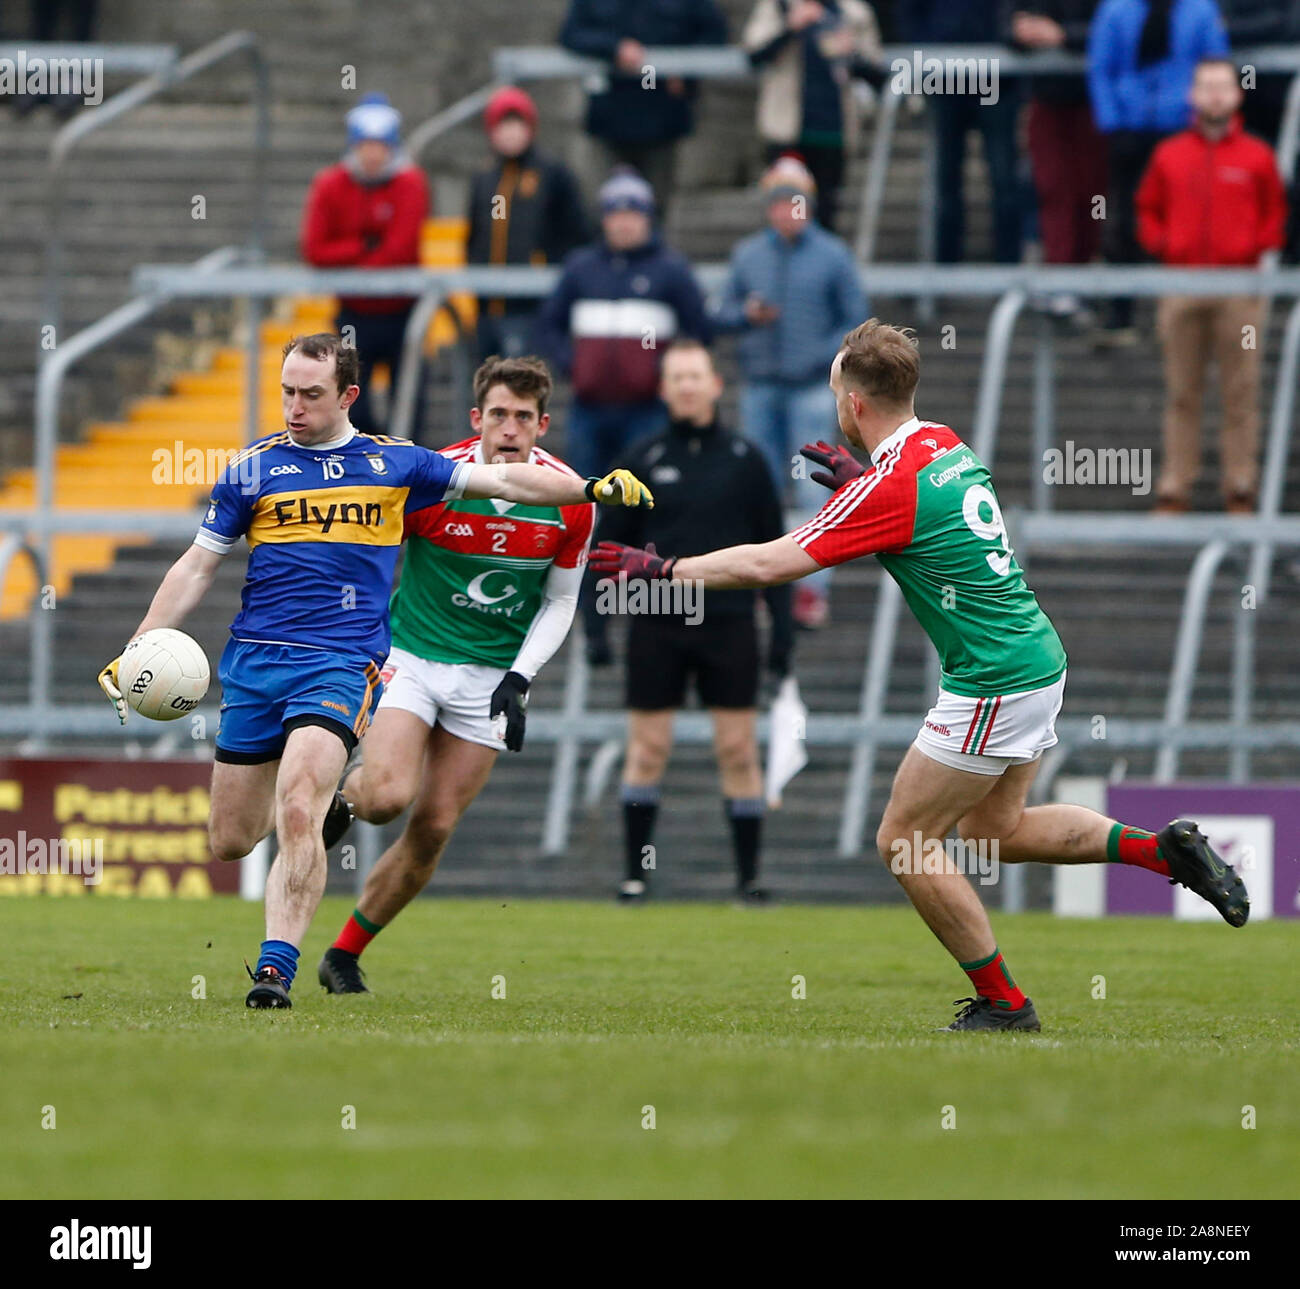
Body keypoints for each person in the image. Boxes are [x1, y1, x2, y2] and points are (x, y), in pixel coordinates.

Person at [591, 319, 1249, 1031]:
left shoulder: (886, 487)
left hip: (993, 678)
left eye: (838, 392)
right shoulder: (942, 441)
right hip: (1034, 659)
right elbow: (916, 513)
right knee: (996, 832)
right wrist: (863, 481)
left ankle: (1006, 1003)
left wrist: (664, 568)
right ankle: (1163, 851)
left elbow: (768, 563)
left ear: (853, 406)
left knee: (902, 838)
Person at [96, 334, 653, 1010]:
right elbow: (196, 564)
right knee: (231, 839)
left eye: (311, 395)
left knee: (303, 806)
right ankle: (301, 826)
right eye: (287, 393)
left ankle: (275, 971)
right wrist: (142, 642)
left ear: (348, 395)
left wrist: (590, 486)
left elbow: (508, 479)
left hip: (345, 661)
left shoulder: (396, 463)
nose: (295, 408)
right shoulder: (251, 469)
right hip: (257, 661)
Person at [314, 356, 593, 993]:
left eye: (523, 417)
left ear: (541, 425)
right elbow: (373, 550)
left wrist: (520, 679)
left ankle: (344, 954)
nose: (509, 428)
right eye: (498, 414)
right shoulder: (435, 479)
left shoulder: (570, 498)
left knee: (435, 825)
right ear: (477, 419)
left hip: (491, 675)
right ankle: (335, 800)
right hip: (411, 657)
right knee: (386, 797)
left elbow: (559, 600)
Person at [594, 339, 795, 904]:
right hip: (656, 622)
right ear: (663, 389)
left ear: (715, 384)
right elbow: (606, 548)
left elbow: (778, 550)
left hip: (730, 622)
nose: (686, 386)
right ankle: (635, 875)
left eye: (695, 376)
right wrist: (595, 629)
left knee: (737, 750)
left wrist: (781, 631)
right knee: (647, 749)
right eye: (675, 377)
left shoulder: (746, 460)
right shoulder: (641, 459)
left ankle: (749, 878)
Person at [537, 167, 711, 661]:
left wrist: (664, 376)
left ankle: (649, 616)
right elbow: (547, 327)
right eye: (616, 213)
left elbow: (697, 331)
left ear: (648, 218)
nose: (624, 223)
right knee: (590, 512)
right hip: (593, 412)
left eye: (633, 214)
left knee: (648, 511)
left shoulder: (671, 271)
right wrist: (576, 367)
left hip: (647, 414)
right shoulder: (581, 268)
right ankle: (593, 624)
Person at [713, 155, 866, 629]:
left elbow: (855, 322)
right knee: (760, 488)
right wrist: (746, 315)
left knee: (808, 488)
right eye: (780, 203)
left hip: (810, 390)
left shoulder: (833, 256)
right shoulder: (748, 255)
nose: (787, 212)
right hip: (760, 386)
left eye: (796, 203)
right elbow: (720, 312)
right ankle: (762, 586)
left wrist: (819, 356)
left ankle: (808, 589)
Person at [1137, 56, 1287, 513]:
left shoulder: (1257, 157)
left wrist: (1251, 249)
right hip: (1182, 285)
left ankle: (1240, 483)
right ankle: (1175, 484)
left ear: (1237, 94)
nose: (1215, 96)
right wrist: (1165, 243)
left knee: (1241, 392)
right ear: (1193, 94)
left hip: (1239, 289)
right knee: (1182, 391)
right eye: (1206, 87)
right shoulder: (1170, 154)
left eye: (1223, 87)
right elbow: (1147, 207)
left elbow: (1275, 213)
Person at [1087, 0, 1229, 342]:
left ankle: (1185, 313)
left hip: (1180, 131)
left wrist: (1197, 124)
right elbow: (1100, 69)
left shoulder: (1200, 11)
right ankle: (1122, 314)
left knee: (1186, 221)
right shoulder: (1116, 10)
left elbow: (1214, 68)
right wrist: (1112, 123)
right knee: (1123, 220)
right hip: (1130, 130)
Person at [300, 93, 430, 436]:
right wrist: (362, 246)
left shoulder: (410, 183)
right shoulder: (330, 185)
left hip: (403, 311)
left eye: (380, 146)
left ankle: (409, 479)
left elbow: (399, 251)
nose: (372, 155)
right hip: (354, 312)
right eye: (365, 145)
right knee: (352, 409)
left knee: (411, 408)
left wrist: (351, 260)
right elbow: (315, 250)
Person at [559, 0, 730, 215]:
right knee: (604, 209)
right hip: (609, 120)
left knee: (654, 210)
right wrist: (614, 48)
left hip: (663, 121)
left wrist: (686, 72)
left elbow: (714, 35)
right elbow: (571, 34)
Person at [466, 87, 591, 362]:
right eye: (503, 125)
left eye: (517, 124)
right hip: (487, 305)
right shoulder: (484, 177)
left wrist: (550, 271)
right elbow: (474, 234)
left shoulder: (553, 173)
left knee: (521, 383)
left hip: (532, 304)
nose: (510, 133)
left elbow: (577, 232)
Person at [898, 1, 1024, 265]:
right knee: (945, 181)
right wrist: (928, 52)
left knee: (1004, 181)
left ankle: (1009, 269)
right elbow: (910, 15)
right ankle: (944, 267)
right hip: (944, 79)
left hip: (999, 78)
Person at [743, 0, 886, 231]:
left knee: (825, 211)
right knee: (791, 211)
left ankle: (814, 261)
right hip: (789, 131)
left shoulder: (852, 12)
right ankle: (794, 258)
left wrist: (850, 52)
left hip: (832, 130)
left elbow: (876, 73)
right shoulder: (777, 7)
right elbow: (754, 55)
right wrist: (790, 27)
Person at [1012, 3, 1107, 323]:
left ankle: (1081, 278)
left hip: (1097, 102)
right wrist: (1020, 31)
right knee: (1053, 189)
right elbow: (1004, 24)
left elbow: (1121, 28)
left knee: (1092, 195)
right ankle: (1059, 277)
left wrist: (1065, 36)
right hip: (1048, 101)